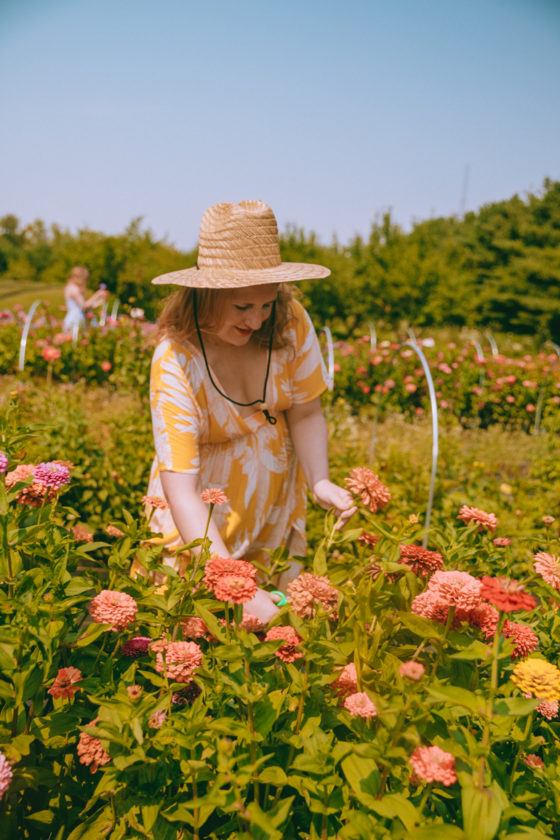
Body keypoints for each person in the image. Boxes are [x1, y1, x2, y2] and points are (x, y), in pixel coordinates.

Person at [145, 200, 356, 623]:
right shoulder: (175, 359)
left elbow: (307, 411)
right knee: (191, 636)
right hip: (199, 527)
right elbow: (182, 491)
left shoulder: (290, 320)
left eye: (266, 303)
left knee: (277, 639)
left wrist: (320, 480)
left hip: (274, 511)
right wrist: (232, 585)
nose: (258, 319)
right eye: (242, 307)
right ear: (206, 296)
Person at [62, 266, 108, 332]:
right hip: (75, 319)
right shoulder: (74, 289)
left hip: (75, 318)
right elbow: (84, 305)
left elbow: (85, 305)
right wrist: (97, 294)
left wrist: (100, 301)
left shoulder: (70, 287)